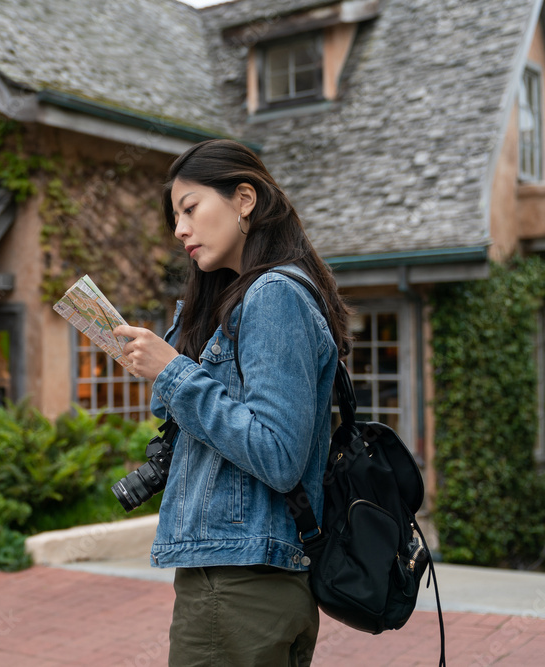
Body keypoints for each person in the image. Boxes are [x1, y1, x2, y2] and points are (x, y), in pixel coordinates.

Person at [113, 139, 352, 666]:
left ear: (244, 199)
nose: (179, 230)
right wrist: (169, 364)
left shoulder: (273, 295)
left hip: (241, 582)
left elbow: (278, 454)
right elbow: (206, 425)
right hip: (236, 575)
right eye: (175, 217)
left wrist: (173, 371)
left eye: (190, 208)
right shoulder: (242, 297)